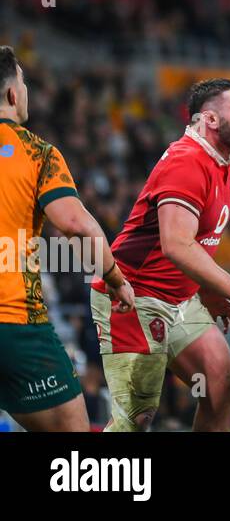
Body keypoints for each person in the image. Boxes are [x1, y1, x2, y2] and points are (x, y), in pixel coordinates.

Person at [90, 78, 230, 431]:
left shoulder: (221, 163)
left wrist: (208, 289)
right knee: (136, 418)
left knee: (220, 388)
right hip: (133, 295)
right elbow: (177, 244)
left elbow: (199, 241)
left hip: (179, 299)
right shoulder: (187, 161)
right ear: (210, 119)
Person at [0, 45, 134, 431]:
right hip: (14, 325)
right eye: (23, 82)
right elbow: (75, 224)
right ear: (13, 93)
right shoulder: (36, 153)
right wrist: (115, 279)